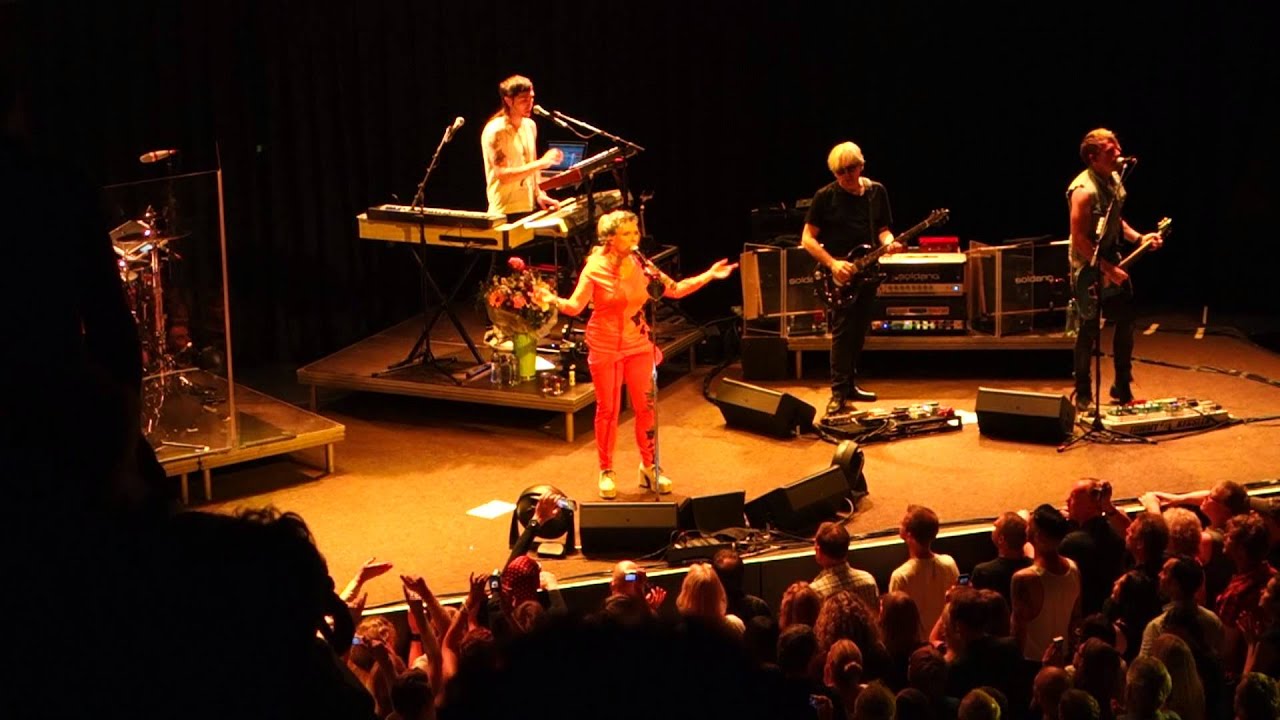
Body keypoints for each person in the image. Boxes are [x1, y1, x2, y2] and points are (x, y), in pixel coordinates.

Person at [540, 209, 736, 498]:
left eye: (636, 232)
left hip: (638, 343)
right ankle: (606, 470)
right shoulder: (594, 268)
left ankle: (650, 466)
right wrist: (550, 299)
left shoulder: (642, 266)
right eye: (627, 233)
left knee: (647, 407)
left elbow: (675, 290)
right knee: (608, 410)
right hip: (605, 345)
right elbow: (575, 307)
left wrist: (709, 275)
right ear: (610, 239)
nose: (635, 238)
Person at [800, 141, 902, 416]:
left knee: (859, 331)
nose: (846, 175)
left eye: (851, 168)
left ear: (861, 166)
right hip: (839, 274)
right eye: (840, 171)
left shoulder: (876, 192)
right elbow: (807, 239)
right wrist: (833, 264)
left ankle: (850, 385)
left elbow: (883, 229)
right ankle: (838, 391)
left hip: (867, 273)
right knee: (843, 332)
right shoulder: (825, 196)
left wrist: (889, 242)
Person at [1066, 128, 1163, 411]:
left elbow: (1116, 220)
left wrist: (1139, 238)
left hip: (1111, 259)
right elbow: (1080, 240)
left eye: (1118, 147)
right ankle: (1083, 391)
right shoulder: (1083, 192)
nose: (1119, 153)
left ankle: (1122, 385)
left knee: (1126, 320)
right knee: (1088, 331)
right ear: (1093, 158)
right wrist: (1108, 270)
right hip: (1087, 267)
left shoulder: (1115, 179)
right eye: (1111, 151)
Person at [480, 75, 562, 217]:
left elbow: (531, 165)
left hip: (529, 207)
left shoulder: (530, 126)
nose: (530, 104)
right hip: (505, 211)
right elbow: (503, 175)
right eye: (524, 100)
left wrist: (539, 194)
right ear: (508, 100)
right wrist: (542, 162)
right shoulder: (495, 131)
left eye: (532, 98)